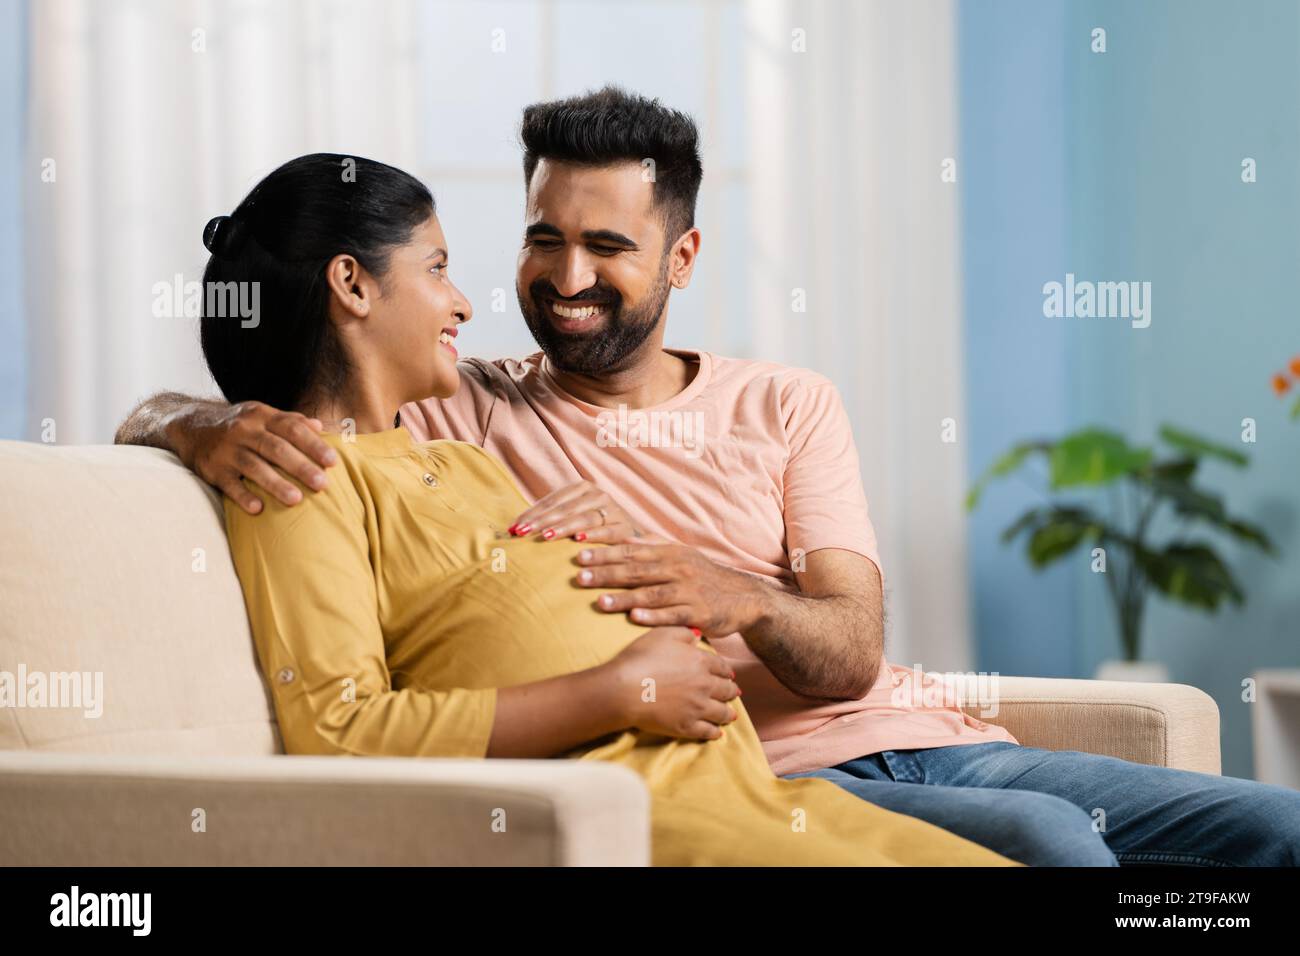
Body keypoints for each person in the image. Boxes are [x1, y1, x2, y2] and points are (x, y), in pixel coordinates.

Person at [120, 88, 1300, 866]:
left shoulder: (785, 402)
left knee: (1274, 834)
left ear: (681, 255)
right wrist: (191, 422)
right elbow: (276, 398)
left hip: (916, 734)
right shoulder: (463, 402)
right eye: (541, 238)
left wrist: (727, 591)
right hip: (751, 768)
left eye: (607, 247)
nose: (556, 275)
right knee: (1049, 843)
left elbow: (848, 650)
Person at [183, 150, 1015, 867]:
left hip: (743, 787)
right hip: (642, 812)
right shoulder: (295, 478)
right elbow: (339, 730)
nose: (464, 303)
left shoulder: (458, 460)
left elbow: (507, 615)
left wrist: (597, 552)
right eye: (437, 268)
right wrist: (618, 690)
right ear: (351, 284)